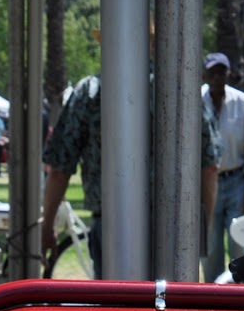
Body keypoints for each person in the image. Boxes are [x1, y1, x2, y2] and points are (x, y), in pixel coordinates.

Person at [41, 72, 219, 276]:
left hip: (111, 226)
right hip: (172, 228)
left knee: (116, 304)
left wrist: (47, 226)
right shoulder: (181, 90)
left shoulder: (90, 92)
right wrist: (203, 227)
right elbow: (210, 167)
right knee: (169, 303)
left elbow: (59, 170)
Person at [201, 52, 244, 282]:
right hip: (207, 181)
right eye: (213, 73)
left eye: (221, 72)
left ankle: (241, 291)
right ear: (205, 75)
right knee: (211, 243)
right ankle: (211, 295)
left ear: (228, 74)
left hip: (235, 180)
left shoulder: (242, 102)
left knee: (239, 241)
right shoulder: (196, 100)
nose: (217, 77)